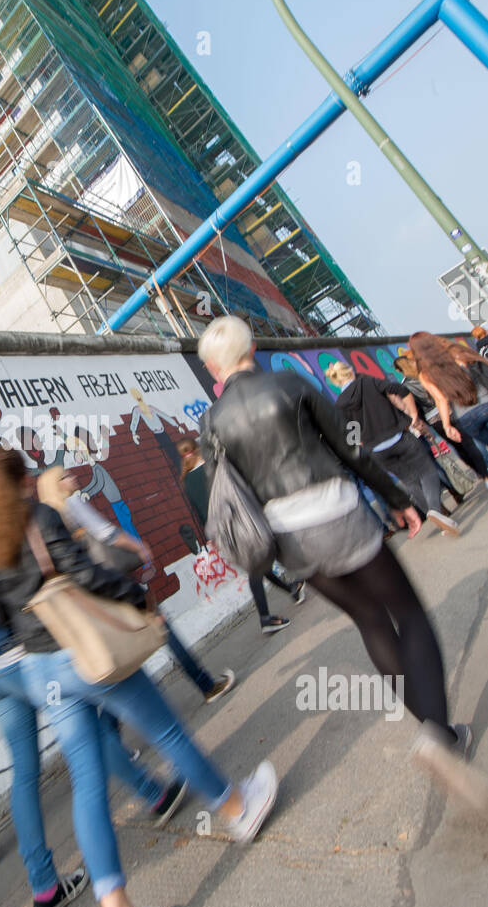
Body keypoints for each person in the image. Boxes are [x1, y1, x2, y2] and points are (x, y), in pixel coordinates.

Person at [0, 448, 279, 907]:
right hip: (85, 653)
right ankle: (236, 807)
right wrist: (135, 596)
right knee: (167, 733)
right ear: (20, 482)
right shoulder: (40, 518)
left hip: (42, 672)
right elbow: (83, 574)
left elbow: (0, 616)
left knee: (89, 786)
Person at [197, 316, 487, 814]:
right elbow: (348, 448)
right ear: (253, 348)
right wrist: (396, 497)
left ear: (211, 367)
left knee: (370, 622)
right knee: (409, 613)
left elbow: (226, 495)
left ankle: (434, 734)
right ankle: (438, 734)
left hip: (291, 541)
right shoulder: (289, 383)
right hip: (337, 513)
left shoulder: (211, 424)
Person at [0, 493, 182, 907]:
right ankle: (154, 793)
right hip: (22, 661)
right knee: (90, 731)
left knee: (25, 777)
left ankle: (44, 887)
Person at [37, 463, 235, 703]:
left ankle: (114, 732)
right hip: (113, 581)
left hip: (92, 592)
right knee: (162, 628)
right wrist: (138, 546)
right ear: (57, 485)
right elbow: (105, 532)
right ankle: (206, 685)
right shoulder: (73, 503)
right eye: (66, 476)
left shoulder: (50, 520)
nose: (73, 476)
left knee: (119, 651)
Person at [177, 437, 305, 634]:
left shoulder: (187, 482)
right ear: (197, 449)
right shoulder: (211, 469)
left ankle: (292, 589)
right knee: (257, 565)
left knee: (257, 564)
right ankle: (265, 618)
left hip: (219, 533)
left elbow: (201, 514)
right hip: (237, 523)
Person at [325, 360, 459, 536]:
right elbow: (401, 390)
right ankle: (434, 509)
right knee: (427, 471)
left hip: (378, 451)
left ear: (336, 381)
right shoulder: (368, 382)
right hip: (399, 437)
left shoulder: (340, 404)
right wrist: (412, 416)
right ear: (349, 372)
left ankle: (440, 519)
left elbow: (353, 437)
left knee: (410, 481)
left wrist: (366, 441)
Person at [409, 332, 488, 475]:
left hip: (466, 417)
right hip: (485, 402)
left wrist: (447, 425)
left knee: (480, 449)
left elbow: (441, 400)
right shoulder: (455, 351)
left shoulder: (425, 374)